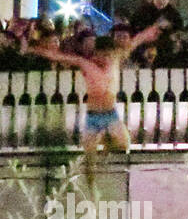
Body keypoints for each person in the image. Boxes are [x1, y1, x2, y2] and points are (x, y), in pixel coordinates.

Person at [27, 21, 164, 184]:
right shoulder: (86, 64)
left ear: (113, 53)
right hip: (93, 116)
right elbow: (60, 57)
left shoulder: (115, 59)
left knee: (124, 145)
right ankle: (91, 190)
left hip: (110, 114)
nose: (105, 58)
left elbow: (136, 41)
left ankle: (106, 142)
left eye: (109, 55)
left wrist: (153, 28)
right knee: (89, 160)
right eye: (102, 55)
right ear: (96, 54)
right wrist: (35, 49)